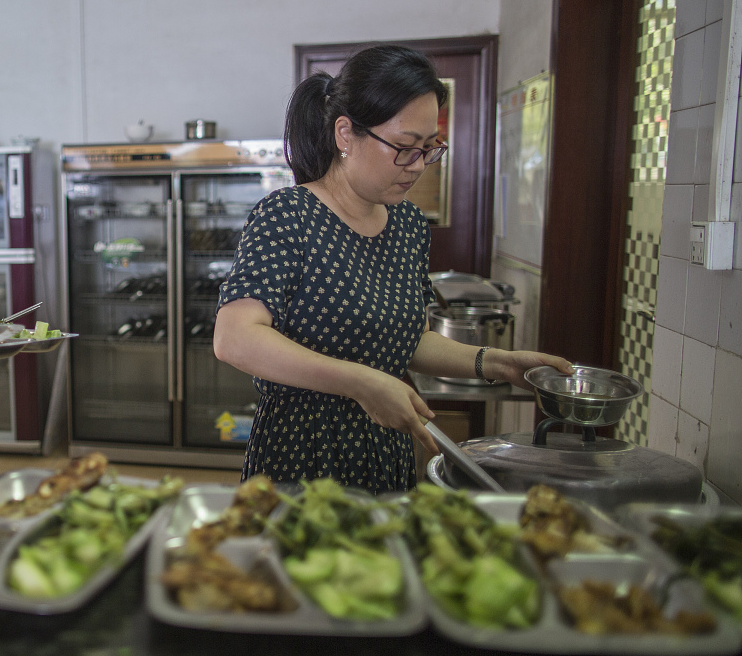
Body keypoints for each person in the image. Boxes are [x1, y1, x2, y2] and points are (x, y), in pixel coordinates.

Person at [212, 45, 571, 493]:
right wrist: (360, 383)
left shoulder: (408, 225)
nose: (418, 166)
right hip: (300, 460)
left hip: (386, 455)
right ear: (346, 134)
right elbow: (234, 338)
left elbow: (407, 341)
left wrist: (498, 363)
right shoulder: (288, 215)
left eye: (429, 149)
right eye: (403, 148)